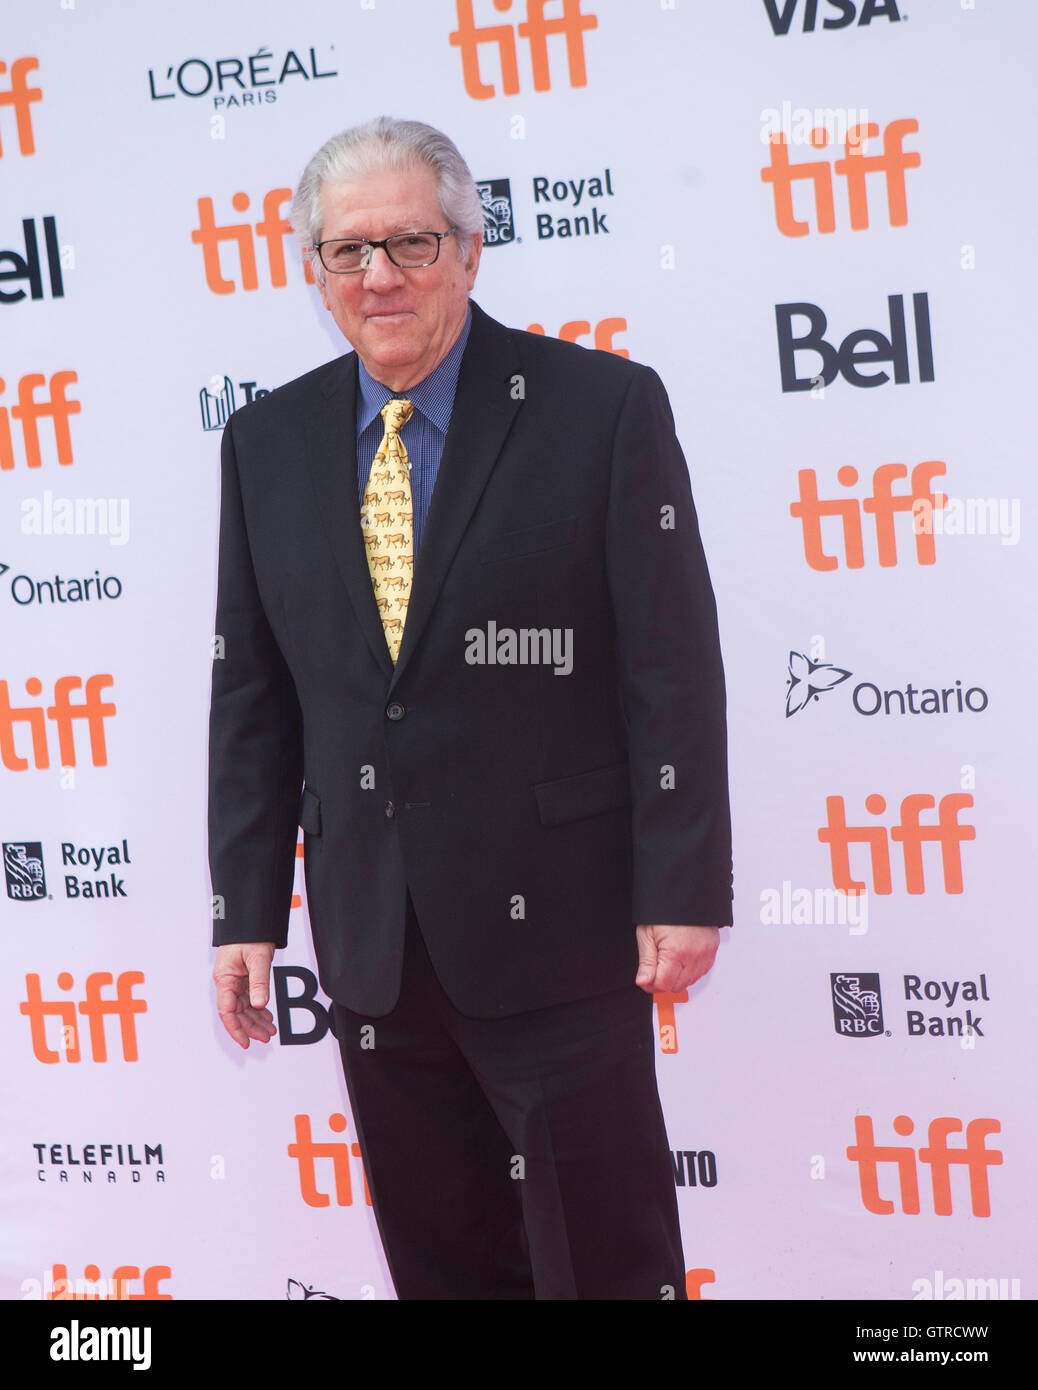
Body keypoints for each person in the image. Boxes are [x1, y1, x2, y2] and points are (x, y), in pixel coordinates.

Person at [207, 116, 733, 1301]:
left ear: (471, 249)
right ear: (314, 272)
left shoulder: (601, 409)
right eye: (348, 252)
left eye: (409, 241)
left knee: (605, 1262)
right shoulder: (266, 442)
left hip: (565, 934)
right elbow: (253, 689)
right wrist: (245, 908)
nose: (378, 275)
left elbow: (671, 667)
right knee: (444, 1269)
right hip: (376, 952)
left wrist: (684, 886)